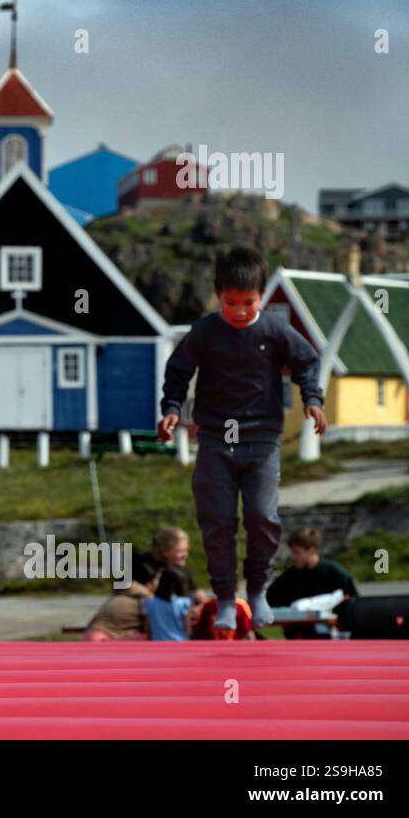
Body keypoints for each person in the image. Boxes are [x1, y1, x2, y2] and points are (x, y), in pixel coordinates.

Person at [158, 246, 327, 631]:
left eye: (248, 302)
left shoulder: (273, 330)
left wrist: (313, 400)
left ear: (261, 296)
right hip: (216, 439)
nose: (239, 311)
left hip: (262, 441)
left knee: (261, 517)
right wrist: (170, 408)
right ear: (219, 294)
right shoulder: (204, 332)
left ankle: (256, 590)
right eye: (230, 302)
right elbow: (178, 371)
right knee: (217, 521)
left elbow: (307, 361)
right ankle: (224, 597)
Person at [267, 528, 359, 639]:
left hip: (332, 638)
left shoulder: (335, 574)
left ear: (312, 550)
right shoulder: (288, 577)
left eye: (297, 552)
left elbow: (354, 605)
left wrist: (338, 621)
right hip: (298, 640)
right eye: (292, 552)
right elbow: (269, 602)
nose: (292, 557)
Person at [82, 555, 157, 641]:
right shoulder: (145, 598)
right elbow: (150, 628)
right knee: (149, 637)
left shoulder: (121, 594)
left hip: (89, 637)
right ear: (149, 583)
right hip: (102, 640)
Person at [149, 525, 209, 609]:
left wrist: (199, 597)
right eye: (181, 551)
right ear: (165, 551)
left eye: (186, 550)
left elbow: (192, 593)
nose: (186, 555)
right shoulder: (151, 572)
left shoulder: (184, 572)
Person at [143, 566, 195, 641]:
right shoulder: (184, 603)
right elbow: (188, 631)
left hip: (157, 645)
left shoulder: (149, 603)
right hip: (180, 644)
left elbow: (148, 630)